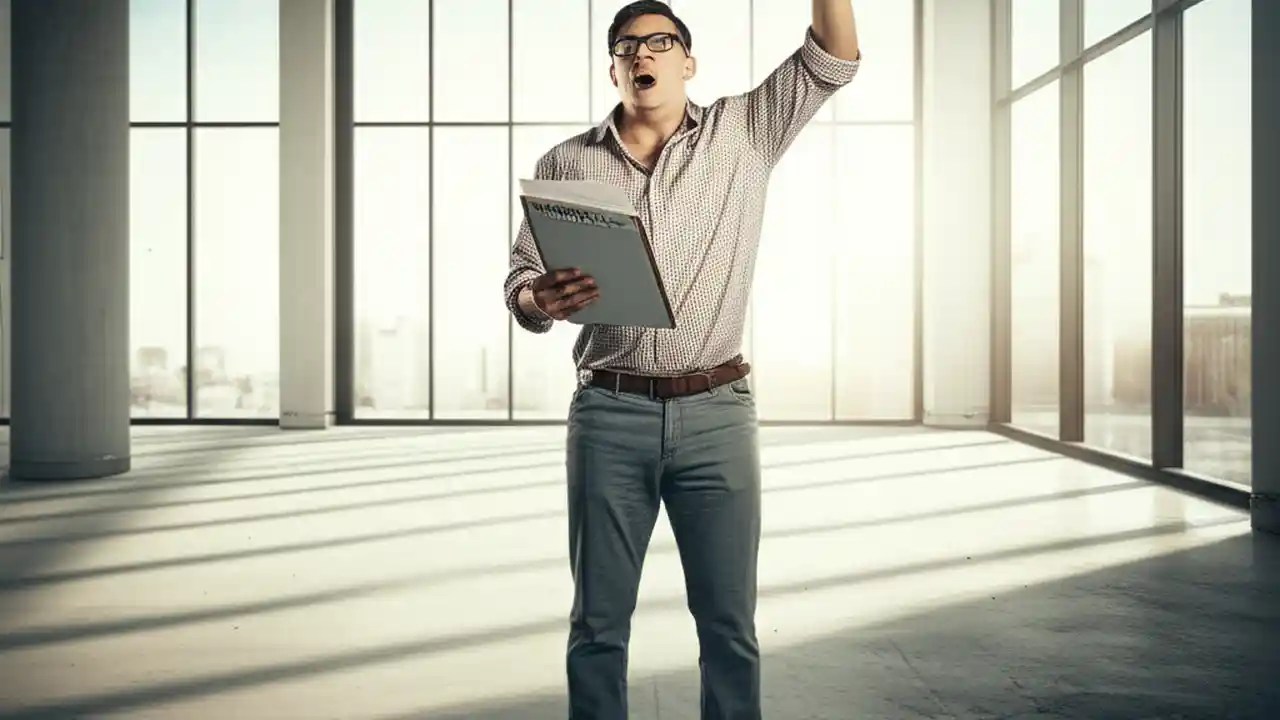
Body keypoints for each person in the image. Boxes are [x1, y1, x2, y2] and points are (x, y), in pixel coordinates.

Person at [502, 1, 860, 717]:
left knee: (729, 626)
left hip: (717, 417)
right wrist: (540, 298)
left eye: (660, 42)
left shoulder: (744, 132)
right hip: (608, 414)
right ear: (614, 70)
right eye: (627, 46)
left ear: (687, 63)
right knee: (597, 624)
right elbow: (521, 282)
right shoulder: (567, 163)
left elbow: (835, 57)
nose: (643, 53)